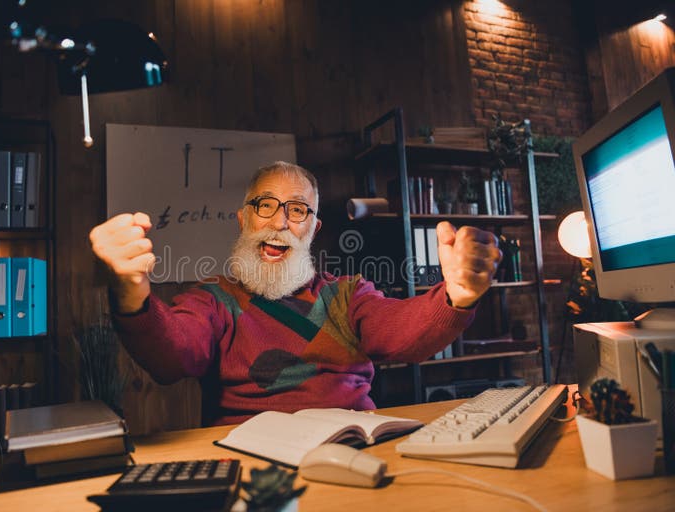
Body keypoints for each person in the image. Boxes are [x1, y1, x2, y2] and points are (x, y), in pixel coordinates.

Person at [90, 161, 502, 425]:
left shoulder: (346, 295)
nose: (280, 222)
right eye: (265, 206)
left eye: (298, 209)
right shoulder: (213, 299)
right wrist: (131, 290)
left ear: (313, 229)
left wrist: (457, 294)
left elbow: (401, 330)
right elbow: (172, 354)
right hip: (251, 467)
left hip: (353, 452)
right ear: (244, 219)